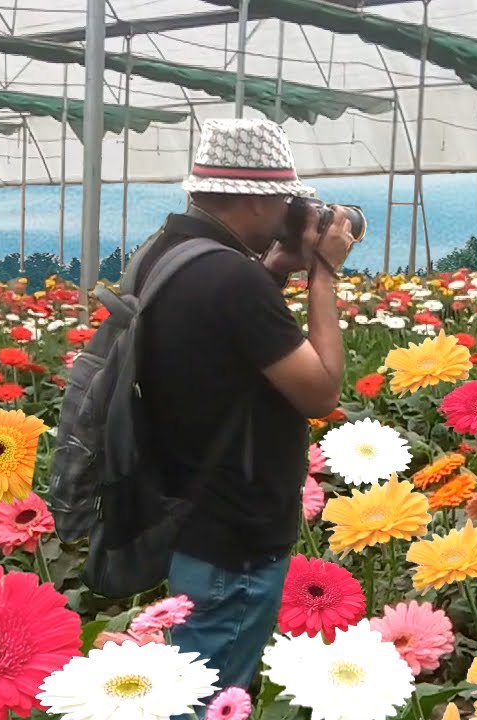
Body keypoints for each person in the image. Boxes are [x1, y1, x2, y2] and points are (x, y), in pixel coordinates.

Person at [130, 118, 355, 713]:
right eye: (285, 199)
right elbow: (321, 392)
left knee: (189, 677)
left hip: (191, 507)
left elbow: (223, 346)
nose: (291, 210)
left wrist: (277, 265)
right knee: (212, 696)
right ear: (257, 197)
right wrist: (323, 275)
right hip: (238, 527)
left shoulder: (168, 255)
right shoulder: (230, 278)